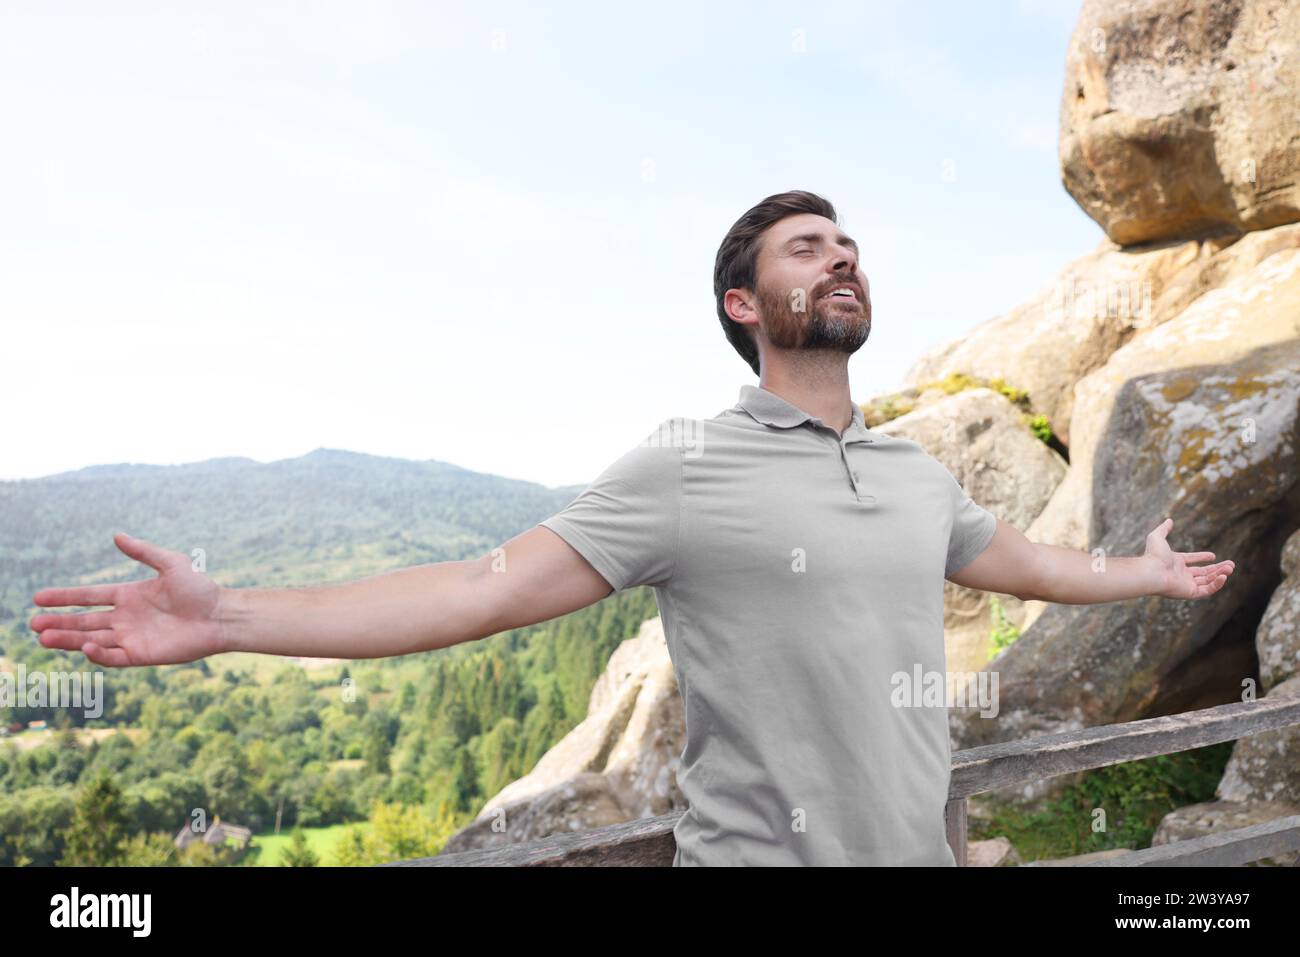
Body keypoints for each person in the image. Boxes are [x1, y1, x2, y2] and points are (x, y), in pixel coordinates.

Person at [30, 189, 1235, 866]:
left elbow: (1023, 564)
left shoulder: (911, 473)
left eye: (850, 249)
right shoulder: (685, 465)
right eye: (807, 250)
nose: (842, 261)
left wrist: (1137, 571)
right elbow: (481, 587)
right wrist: (229, 615)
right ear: (742, 303)